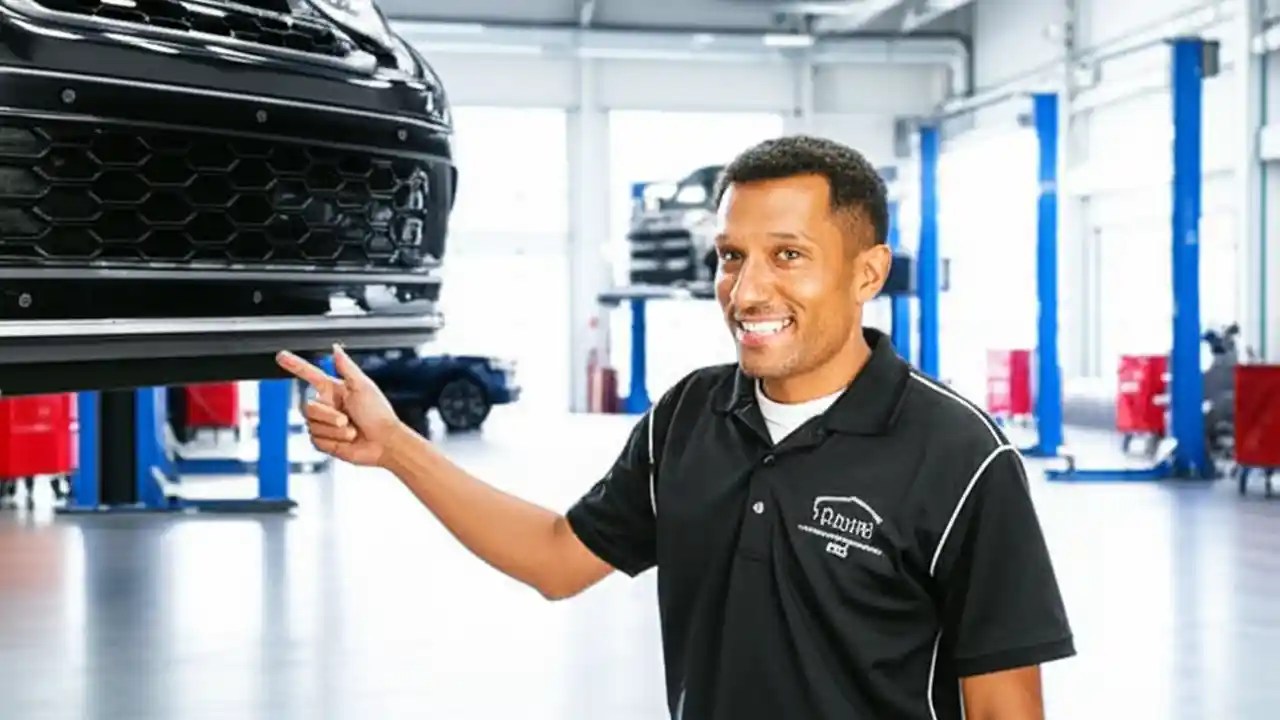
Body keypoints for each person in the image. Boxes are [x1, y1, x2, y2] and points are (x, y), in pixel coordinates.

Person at [277, 135, 1075, 720]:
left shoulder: (961, 456)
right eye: (731, 257)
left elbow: (1007, 707)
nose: (746, 289)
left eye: (787, 255)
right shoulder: (688, 417)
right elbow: (557, 558)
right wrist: (398, 450)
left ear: (866, 273)